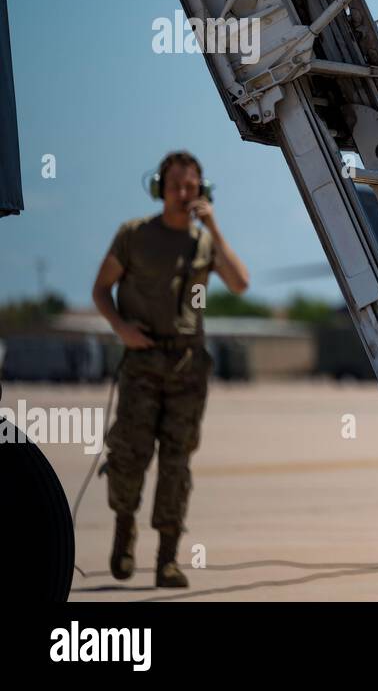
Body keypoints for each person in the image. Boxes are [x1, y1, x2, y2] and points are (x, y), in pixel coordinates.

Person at [90, 151, 249, 586]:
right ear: (160, 188)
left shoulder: (203, 242)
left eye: (192, 186)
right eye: (176, 186)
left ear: (203, 190)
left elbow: (239, 283)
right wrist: (120, 328)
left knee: (177, 462)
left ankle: (167, 558)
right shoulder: (134, 236)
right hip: (142, 361)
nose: (183, 194)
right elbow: (101, 288)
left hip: (187, 364)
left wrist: (213, 226)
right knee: (129, 455)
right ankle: (124, 531)